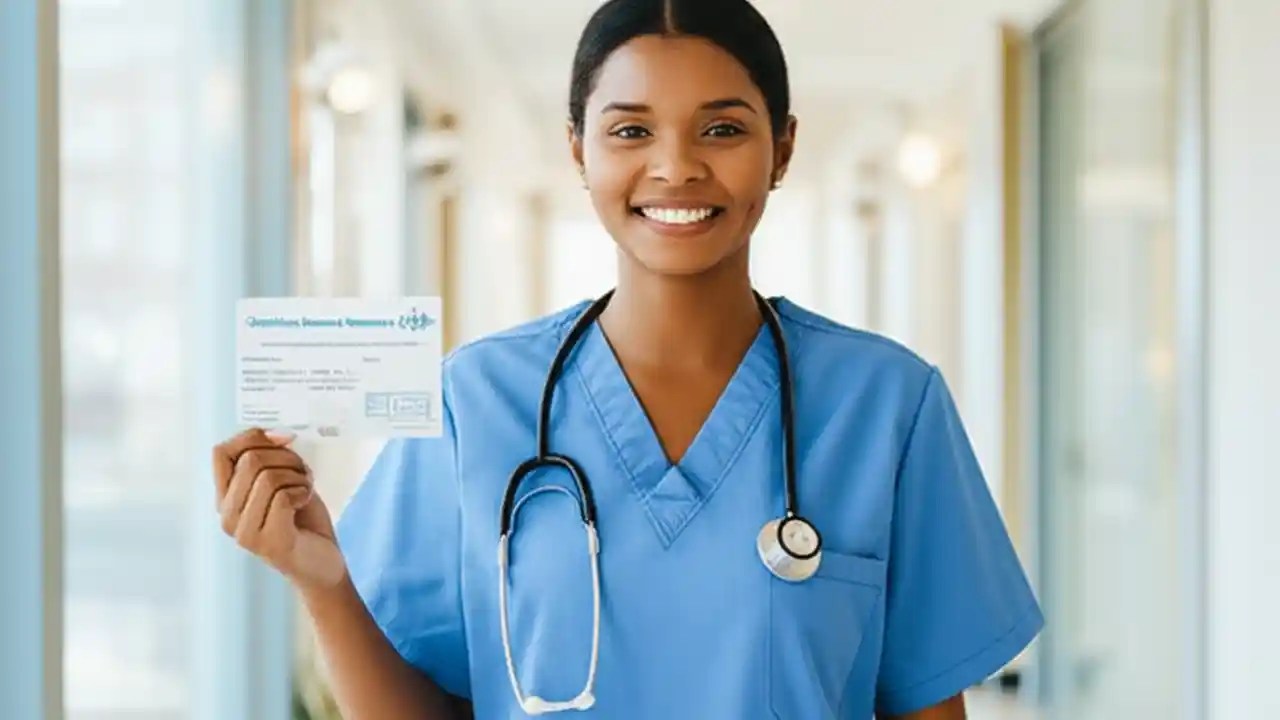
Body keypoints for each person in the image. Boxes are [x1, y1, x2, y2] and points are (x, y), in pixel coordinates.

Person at [211, 0, 1043, 717]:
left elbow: (928, 708)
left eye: (722, 128)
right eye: (630, 129)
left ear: (782, 149)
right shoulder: (476, 399)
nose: (676, 165)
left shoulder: (887, 404)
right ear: (579, 150)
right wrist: (320, 580)